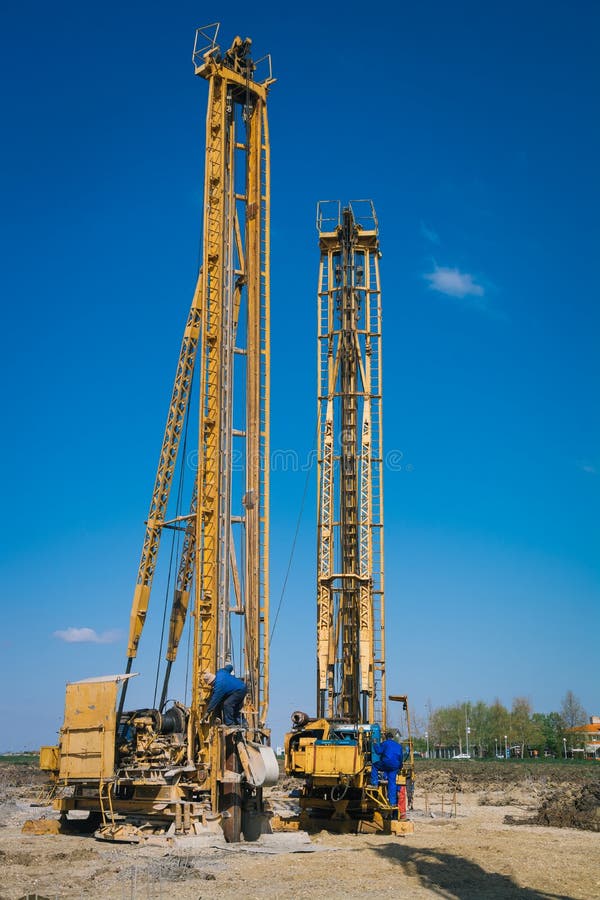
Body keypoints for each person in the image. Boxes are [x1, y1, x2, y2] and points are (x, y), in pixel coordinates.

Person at [370, 730, 404, 808]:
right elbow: (401, 758)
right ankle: (392, 803)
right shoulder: (398, 746)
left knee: (375, 765)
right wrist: (400, 766)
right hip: (395, 766)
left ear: (386, 737)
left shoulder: (385, 743)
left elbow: (378, 751)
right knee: (392, 783)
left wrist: (375, 743)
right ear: (392, 738)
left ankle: (374, 783)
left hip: (386, 763)